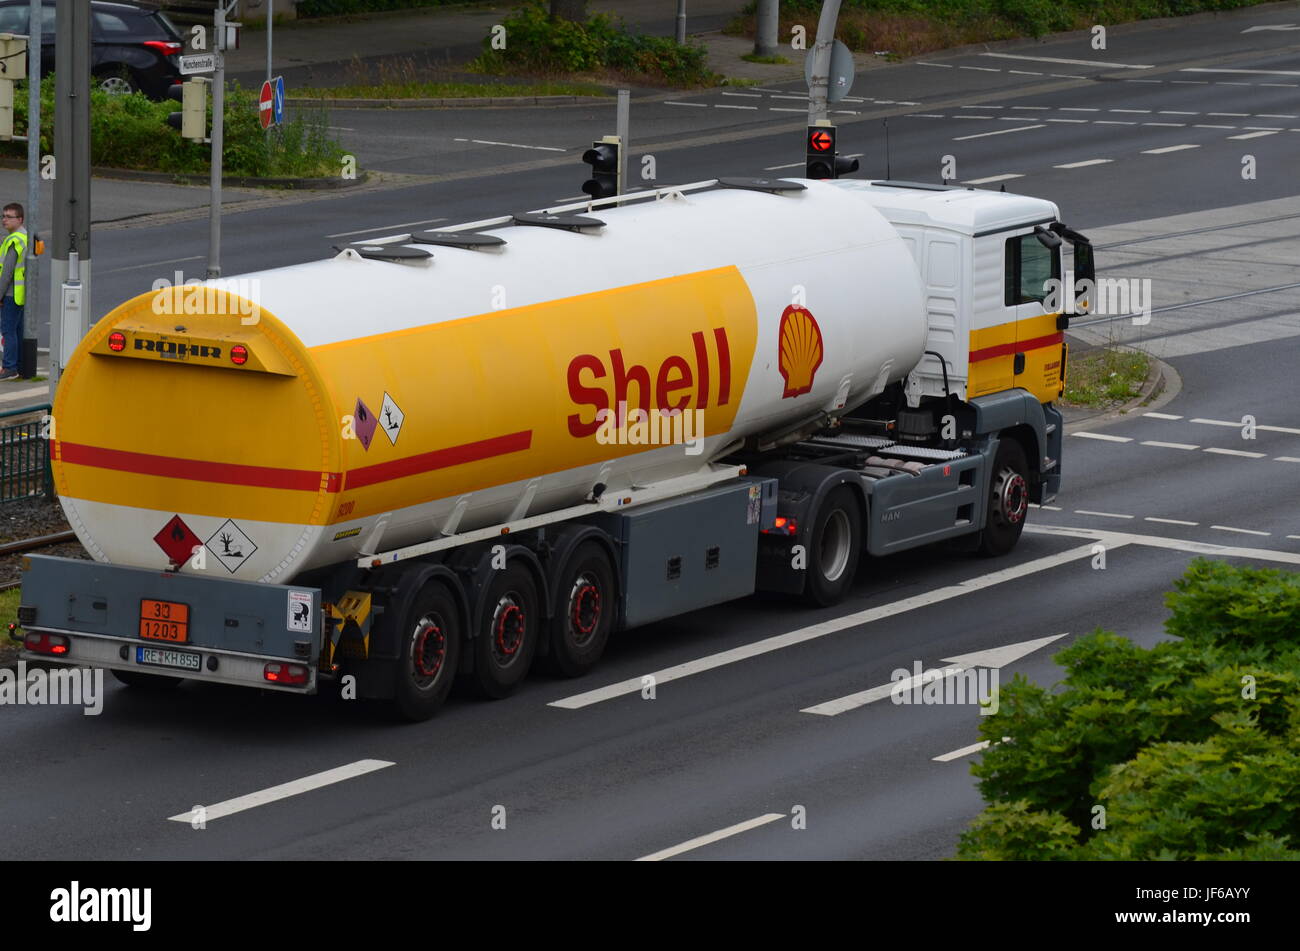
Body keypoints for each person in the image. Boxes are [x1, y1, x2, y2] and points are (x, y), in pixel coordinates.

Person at [0, 202, 28, 380]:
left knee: (7, 330)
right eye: (3, 216)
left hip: (10, 293)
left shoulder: (14, 241)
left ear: (20, 219)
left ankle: (10, 368)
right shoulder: (25, 237)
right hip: (20, 293)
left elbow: (7, 272)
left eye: (9, 217)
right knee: (17, 330)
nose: (4, 220)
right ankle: (18, 366)